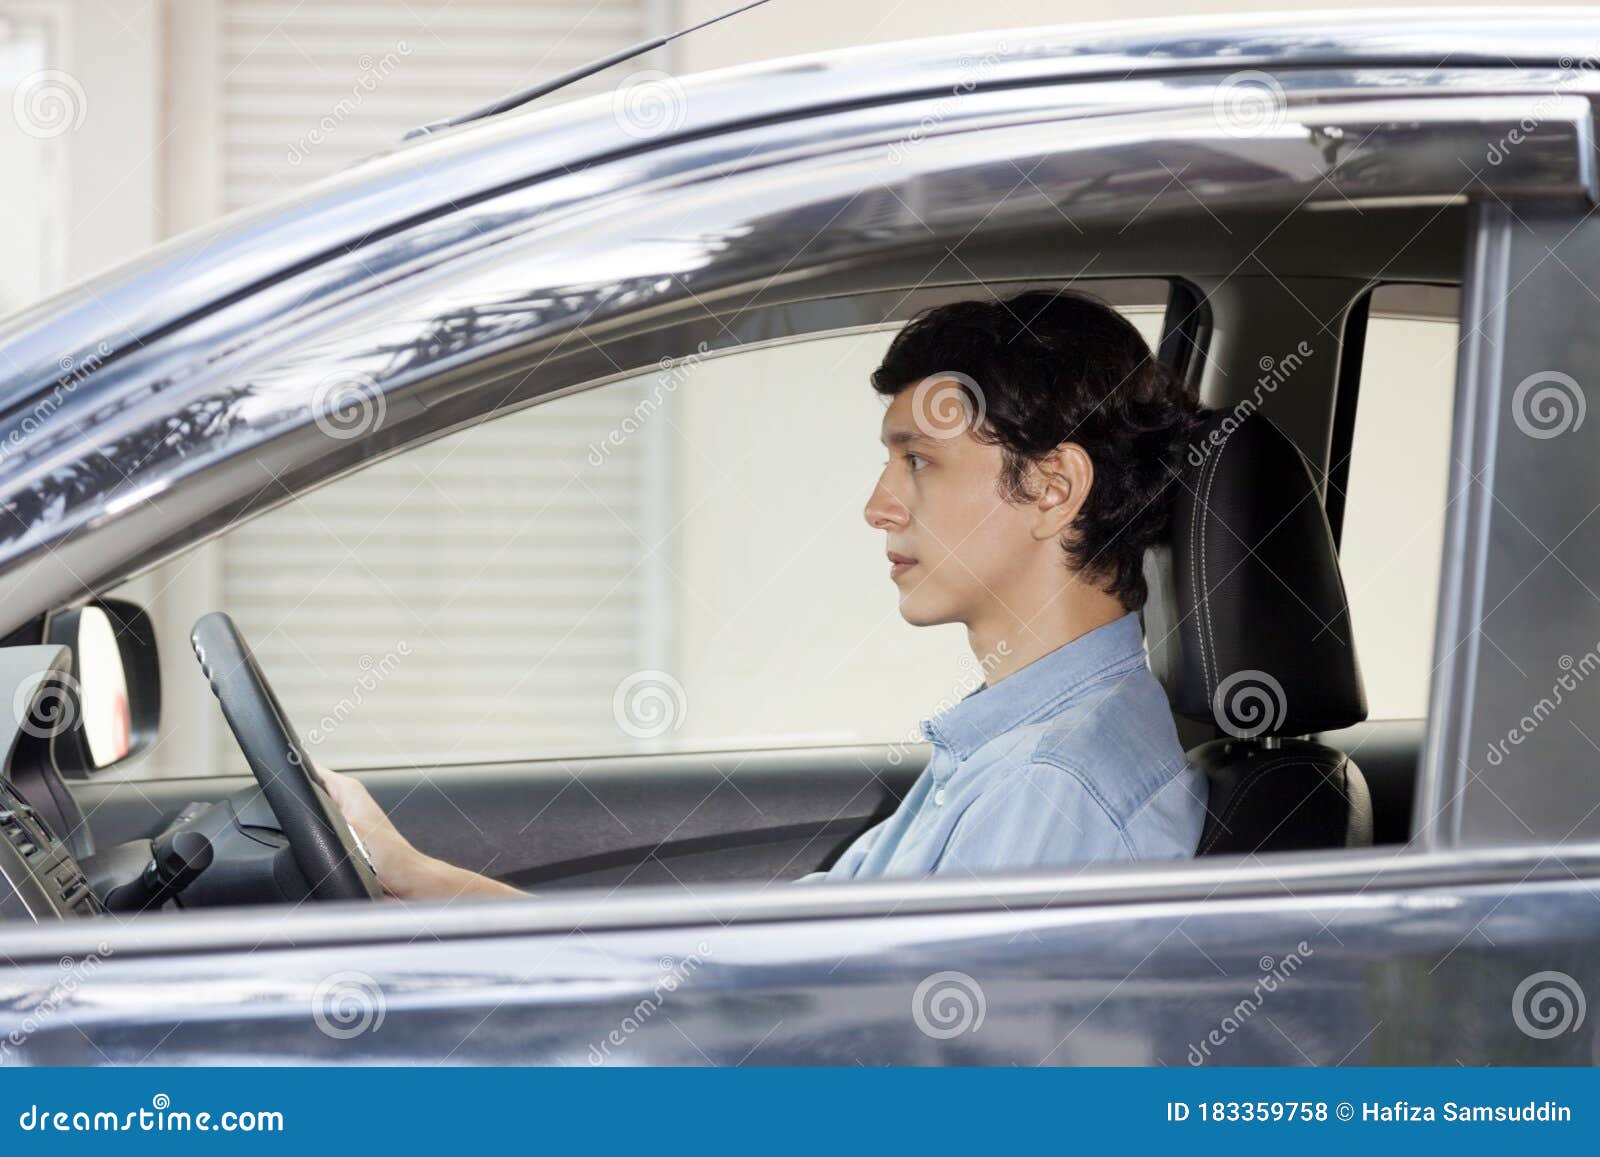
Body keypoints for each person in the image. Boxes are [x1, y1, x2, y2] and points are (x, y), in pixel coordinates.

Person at [318, 288, 1211, 899]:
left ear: (1054, 488)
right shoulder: (1013, 748)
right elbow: (758, 988)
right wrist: (423, 880)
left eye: (919, 461)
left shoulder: (1049, 791)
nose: (878, 504)